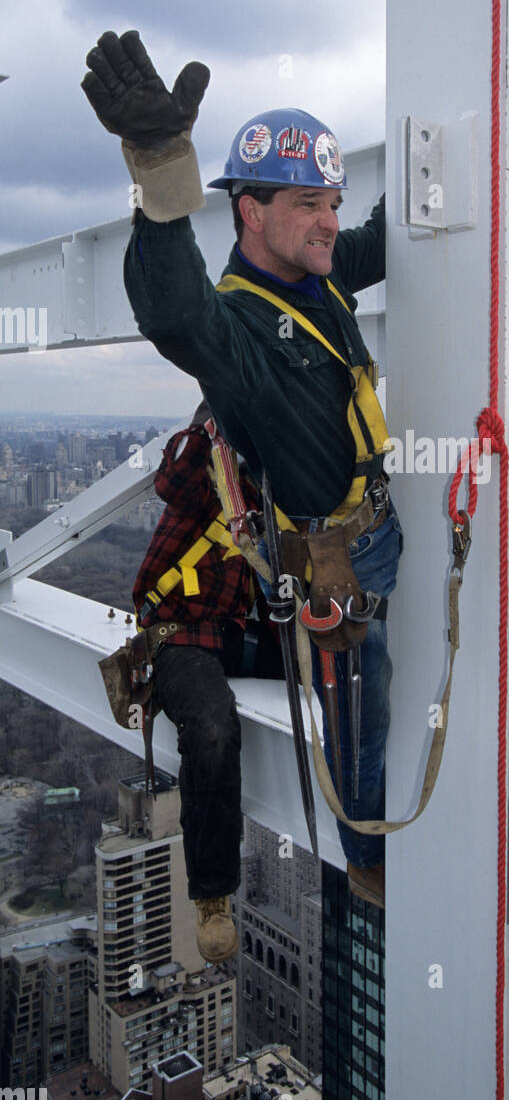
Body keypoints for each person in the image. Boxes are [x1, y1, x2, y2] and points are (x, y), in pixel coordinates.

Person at [82, 30, 400, 913]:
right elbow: (175, 312)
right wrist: (160, 167)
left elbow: (378, 237)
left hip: (380, 536)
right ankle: (363, 850)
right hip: (330, 568)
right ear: (249, 212)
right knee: (359, 708)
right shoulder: (238, 326)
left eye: (332, 200)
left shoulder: (321, 275)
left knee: (383, 679)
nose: (329, 221)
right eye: (308, 203)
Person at [132, 403, 284, 962]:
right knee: (212, 728)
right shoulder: (205, 477)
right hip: (179, 634)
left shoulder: (266, 500)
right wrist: (213, 415)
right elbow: (168, 480)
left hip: (237, 636)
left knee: (335, 668)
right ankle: (213, 894)